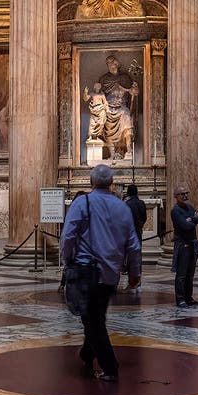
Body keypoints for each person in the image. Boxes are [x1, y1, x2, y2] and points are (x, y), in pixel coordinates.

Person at [60, 164, 141, 382]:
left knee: (93, 321)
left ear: (91, 181)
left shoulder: (82, 203)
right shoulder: (122, 207)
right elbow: (133, 244)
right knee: (95, 315)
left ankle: (110, 368)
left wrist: (66, 262)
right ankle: (87, 353)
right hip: (110, 274)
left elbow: (68, 236)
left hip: (88, 271)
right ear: (112, 182)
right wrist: (135, 272)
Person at [97, 55, 139, 160]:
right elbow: (98, 94)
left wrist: (134, 90)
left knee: (126, 118)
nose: (111, 66)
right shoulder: (104, 79)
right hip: (108, 108)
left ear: (117, 64)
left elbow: (133, 93)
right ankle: (111, 154)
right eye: (108, 64)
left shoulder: (125, 78)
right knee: (105, 120)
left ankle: (129, 150)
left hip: (122, 107)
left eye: (112, 64)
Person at [171, 186, 198, 308]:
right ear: (176, 196)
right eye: (182, 194)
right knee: (181, 274)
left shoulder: (190, 207)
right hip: (183, 245)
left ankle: (188, 297)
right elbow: (185, 226)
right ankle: (180, 299)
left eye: (186, 193)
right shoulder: (175, 210)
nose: (185, 196)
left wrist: (192, 219)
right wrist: (193, 220)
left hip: (192, 243)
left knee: (190, 274)